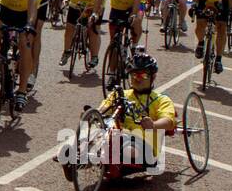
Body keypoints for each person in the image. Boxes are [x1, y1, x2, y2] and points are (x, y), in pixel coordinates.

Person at [62, 53, 174, 181]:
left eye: (142, 75)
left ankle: (101, 160)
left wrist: (154, 125)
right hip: (114, 137)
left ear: (153, 77)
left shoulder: (161, 100)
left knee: (124, 149)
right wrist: (92, 115)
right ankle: (76, 161)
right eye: (133, 74)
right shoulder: (120, 94)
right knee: (94, 139)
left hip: (144, 145)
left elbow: (169, 121)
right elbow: (102, 109)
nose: (137, 78)